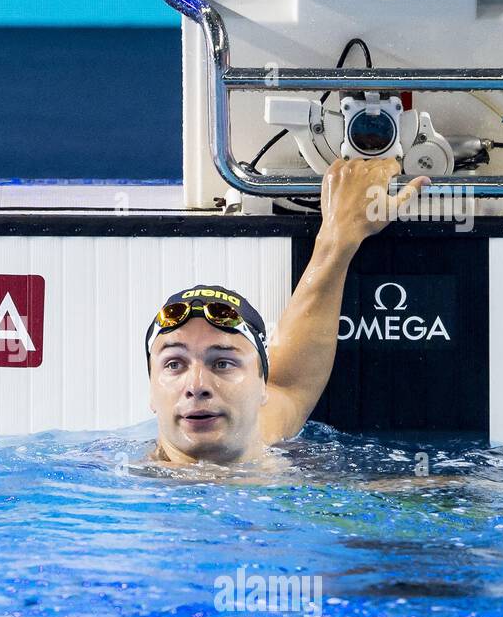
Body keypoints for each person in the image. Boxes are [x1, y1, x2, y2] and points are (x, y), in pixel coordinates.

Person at [145, 158, 430, 467]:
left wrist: (340, 234)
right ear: (151, 391)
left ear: (261, 388)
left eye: (223, 363)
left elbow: (291, 382)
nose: (196, 385)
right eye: (174, 364)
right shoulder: (115, 481)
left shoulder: (263, 429)